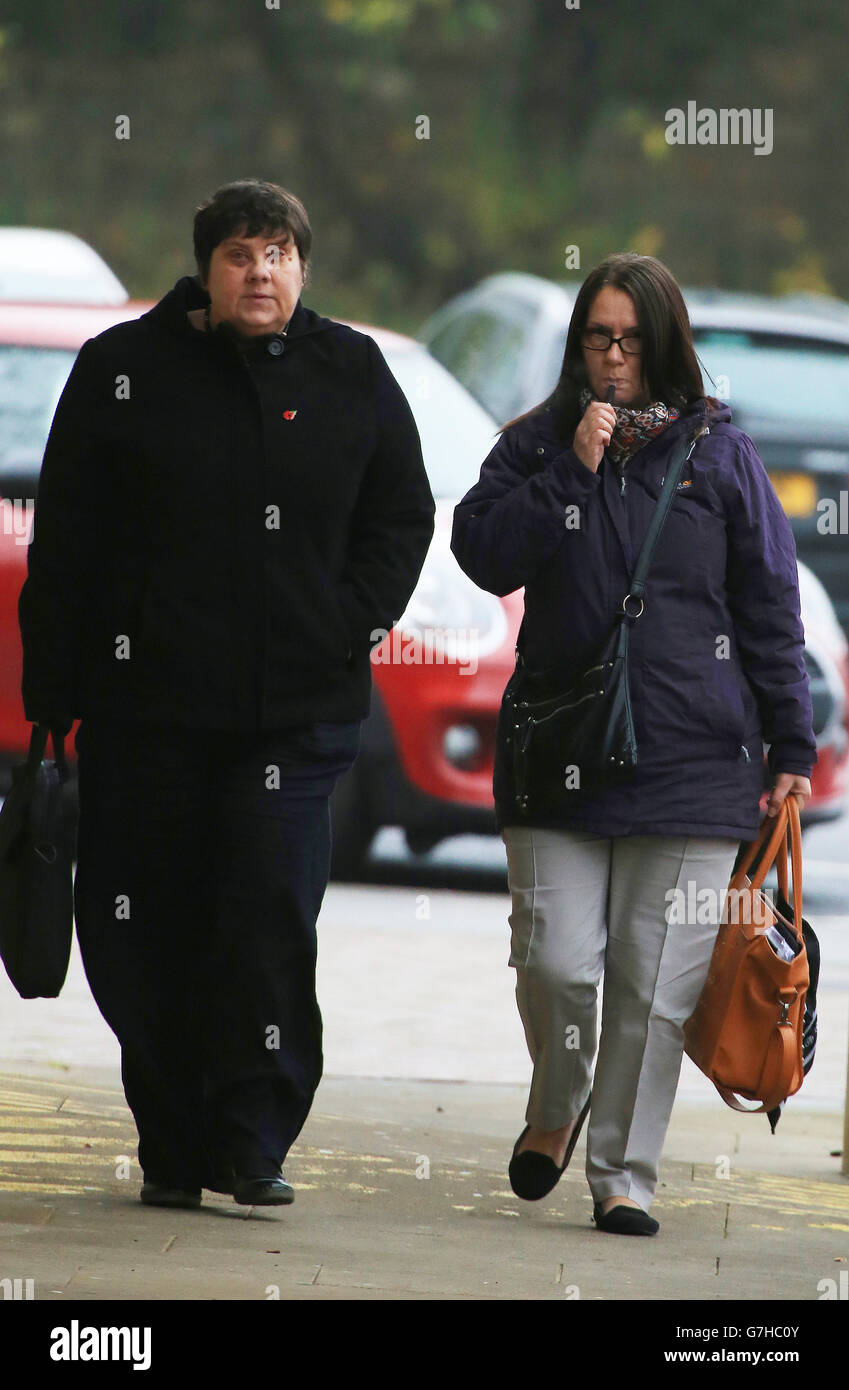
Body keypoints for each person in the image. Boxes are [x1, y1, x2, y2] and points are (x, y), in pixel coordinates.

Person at [19, 179, 435, 1210]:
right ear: (205, 269)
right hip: (144, 709)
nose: (263, 272)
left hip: (294, 712)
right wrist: (53, 693)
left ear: (305, 267)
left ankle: (252, 1139)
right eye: (243, 254)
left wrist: (348, 620)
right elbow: (64, 541)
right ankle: (171, 1135)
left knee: (267, 916)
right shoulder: (121, 371)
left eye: (281, 254)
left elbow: (403, 515)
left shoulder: (353, 371)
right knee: (138, 928)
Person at [450, 252, 815, 1236]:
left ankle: (623, 1172)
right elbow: (482, 553)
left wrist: (792, 739)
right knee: (558, 962)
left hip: (697, 759)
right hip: (559, 749)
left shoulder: (721, 455)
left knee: (656, 986)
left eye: (631, 339)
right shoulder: (536, 444)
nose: (613, 358)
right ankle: (558, 1104)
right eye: (597, 338)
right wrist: (572, 463)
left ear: (666, 346)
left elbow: (770, 605)